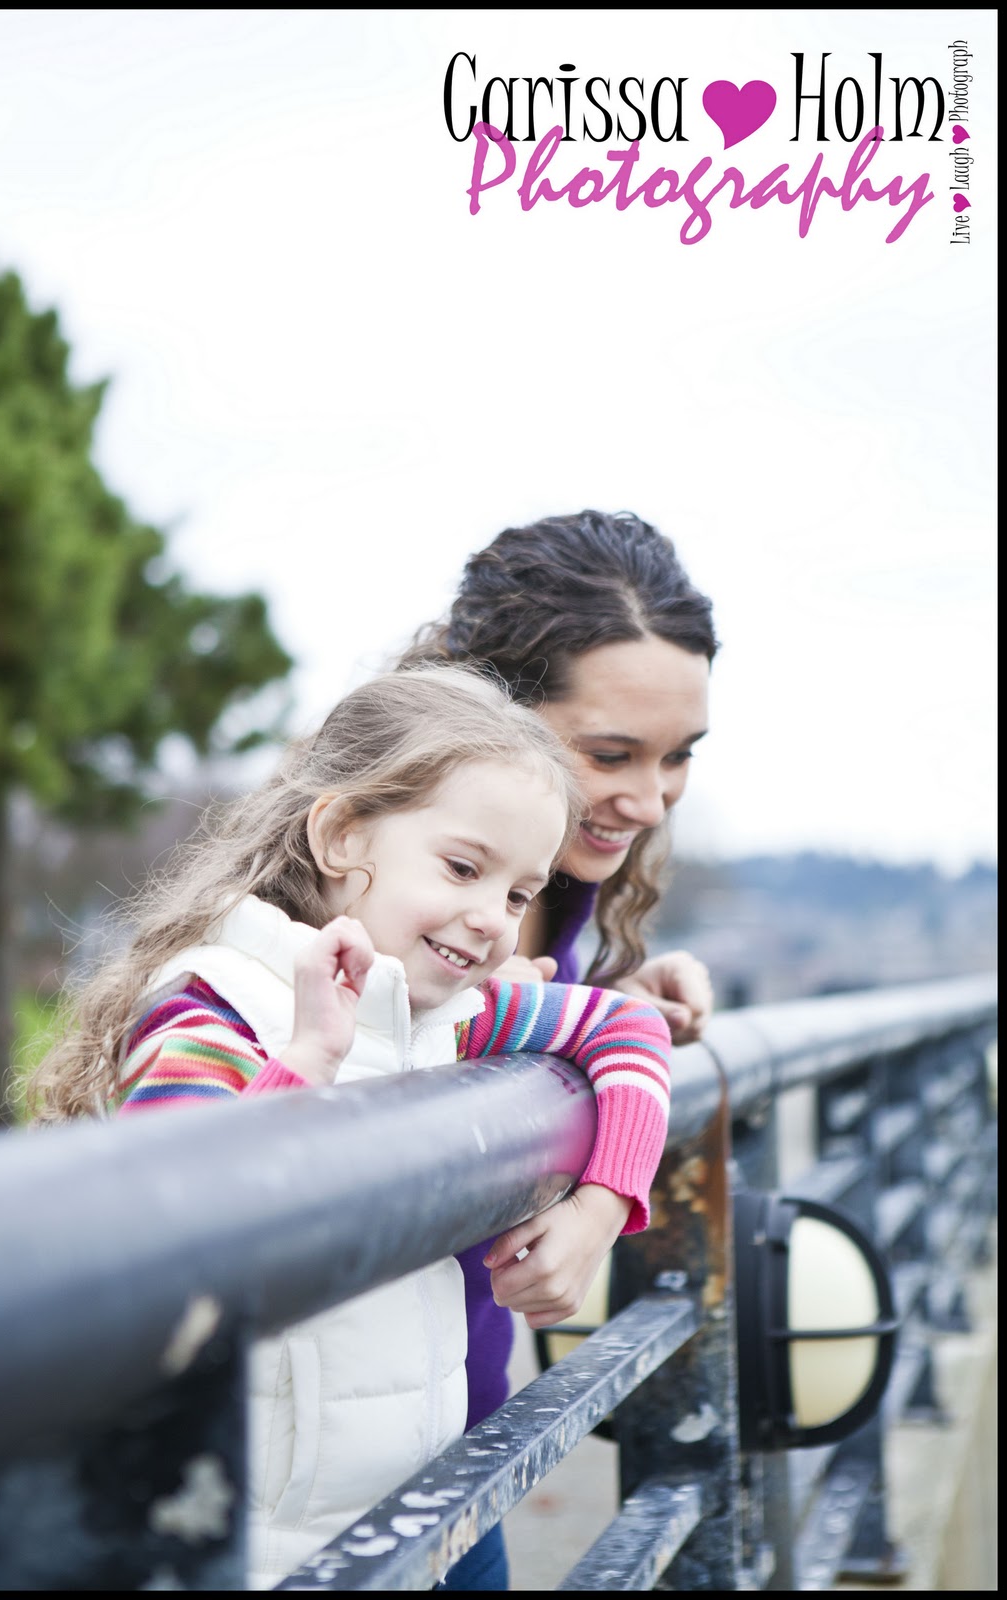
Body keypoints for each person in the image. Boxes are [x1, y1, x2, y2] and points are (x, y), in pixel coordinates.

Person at [25, 665, 672, 1591]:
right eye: (461, 867)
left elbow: (627, 1029)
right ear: (337, 834)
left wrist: (602, 1204)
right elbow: (181, 1221)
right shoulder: (215, 1008)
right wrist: (306, 1065)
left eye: (521, 894)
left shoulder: (443, 1012)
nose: (491, 920)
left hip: (407, 1519)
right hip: (239, 1547)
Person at [399, 509, 719, 1590]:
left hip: (468, 1430)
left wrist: (605, 1001)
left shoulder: (566, 891)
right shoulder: (357, 897)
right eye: (609, 753)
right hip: (329, 1469)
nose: (648, 798)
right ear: (486, 712)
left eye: (677, 756)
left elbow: (508, 1031)